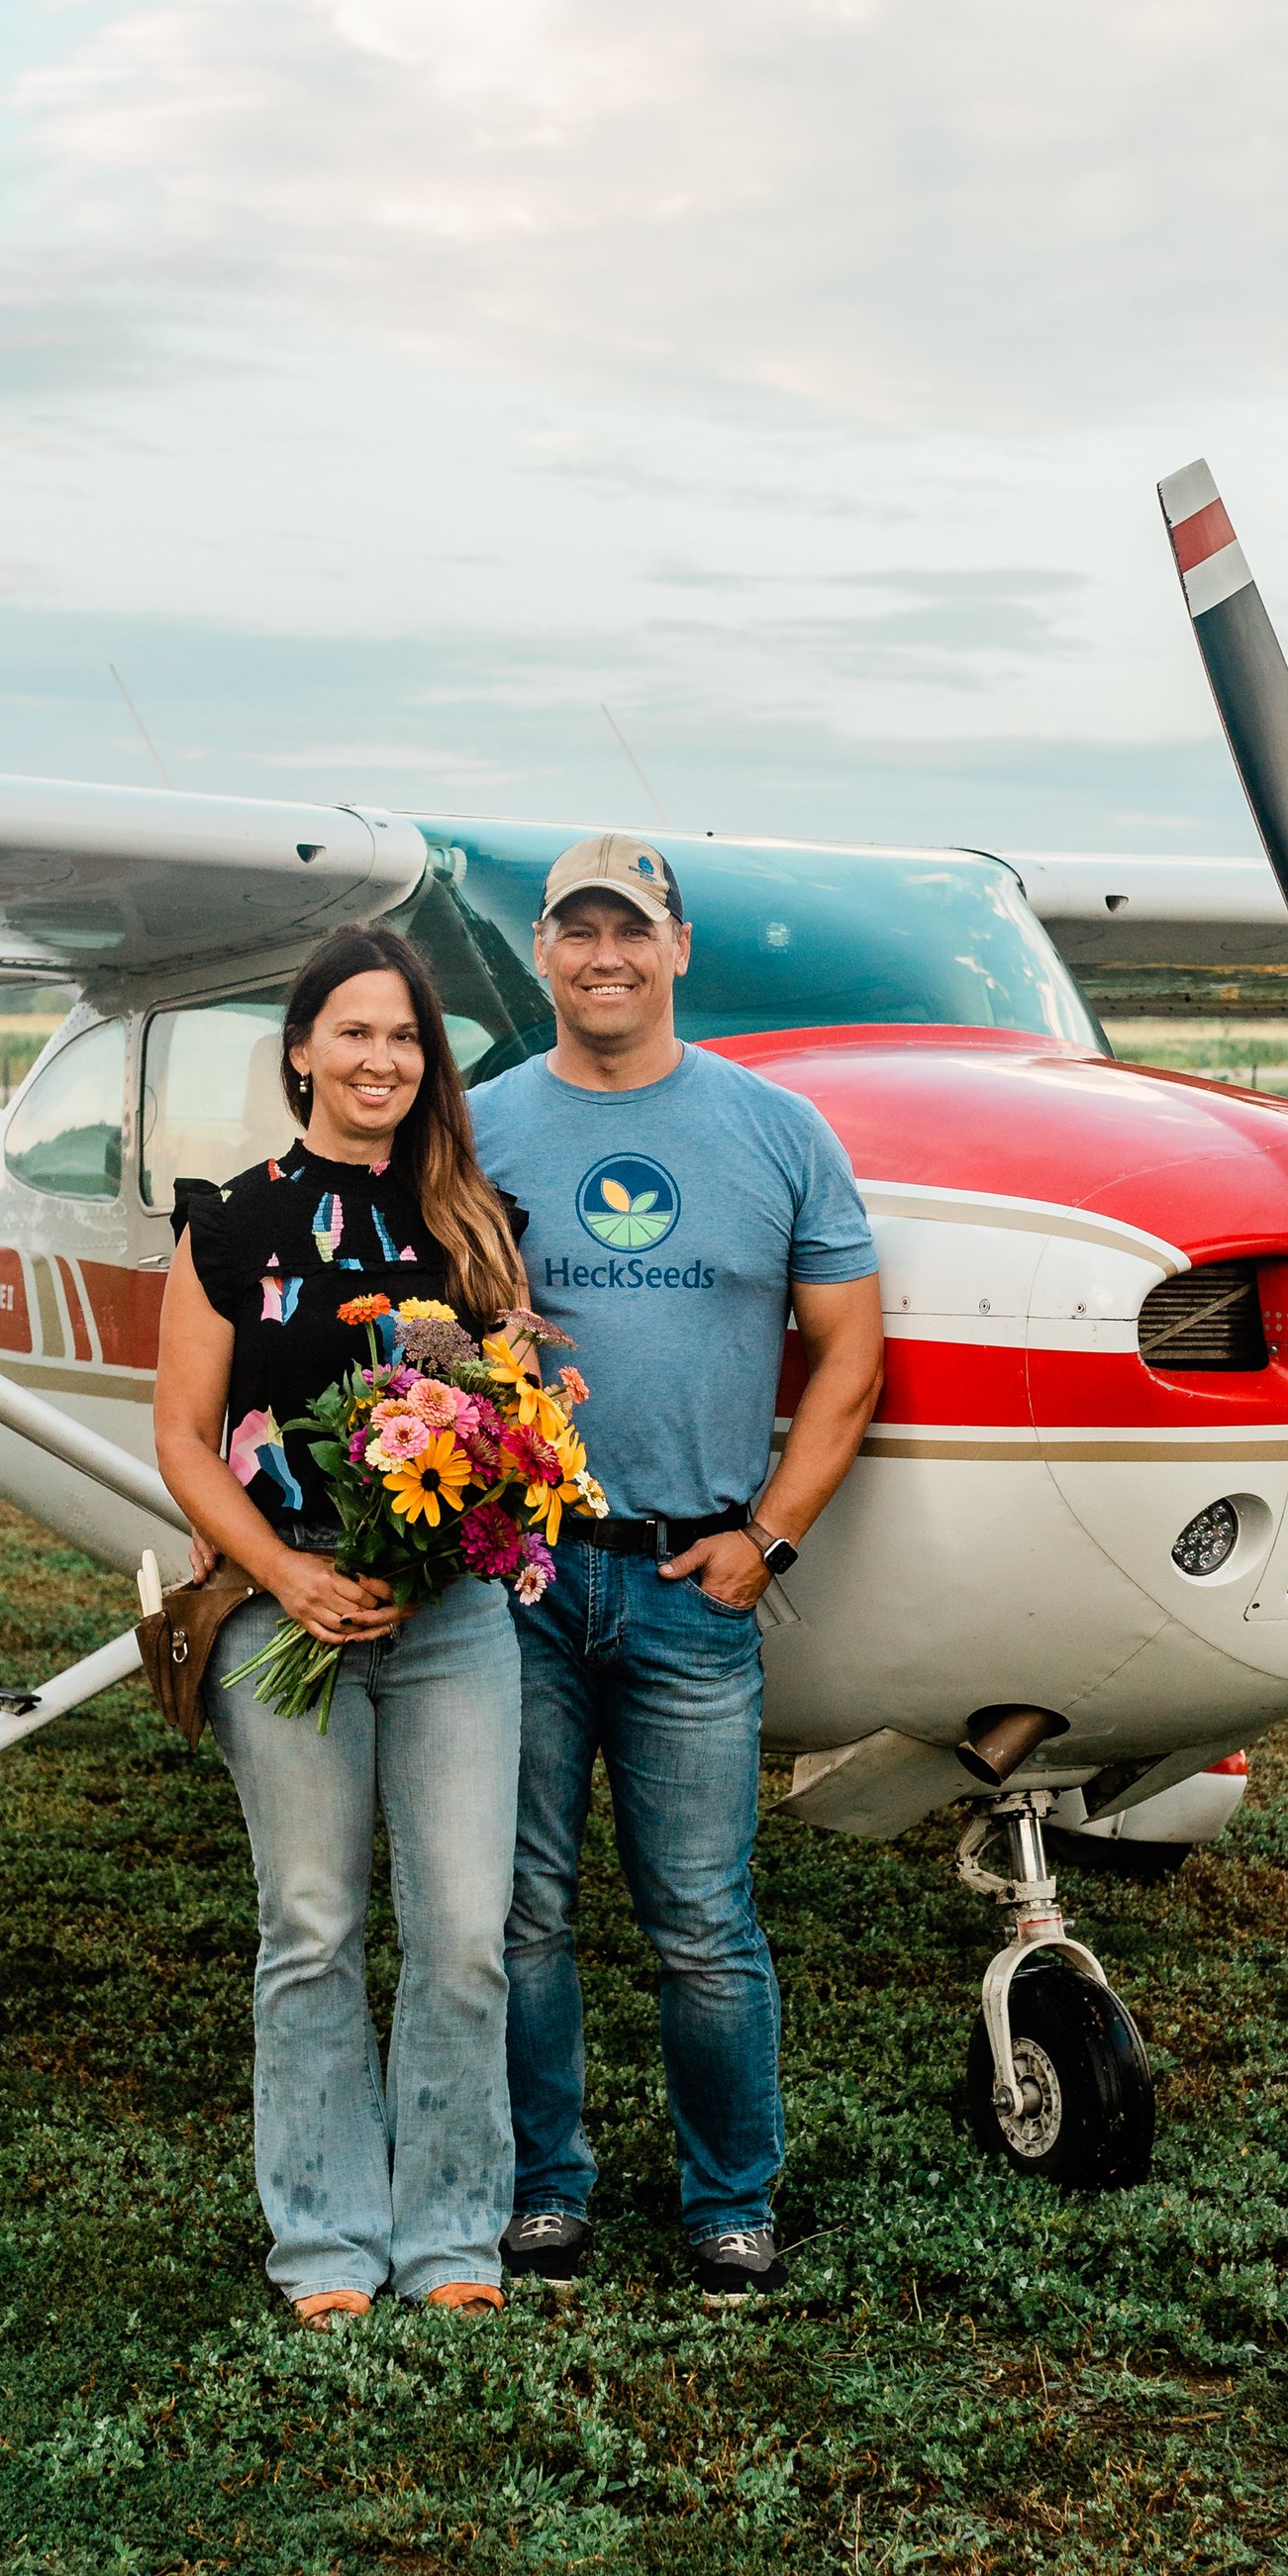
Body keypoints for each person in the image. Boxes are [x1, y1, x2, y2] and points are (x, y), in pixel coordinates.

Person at [471, 834, 884, 2305]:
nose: (605, 956)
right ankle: (542, 2191)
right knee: (519, 1912)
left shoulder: (777, 1132)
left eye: (631, 930)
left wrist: (766, 1538)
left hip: (689, 1585)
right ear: (541, 951)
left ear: (678, 948)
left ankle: (730, 2203)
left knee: (702, 1923)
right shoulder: (477, 1128)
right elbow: (418, 1336)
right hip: (514, 1589)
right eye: (578, 931)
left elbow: (851, 1354)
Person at [152, 925, 531, 2332]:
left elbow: (507, 1425)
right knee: (311, 1923)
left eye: (406, 1037)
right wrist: (284, 1574)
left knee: (465, 1934)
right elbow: (187, 1443)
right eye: (354, 1032)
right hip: (277, 1602)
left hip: (449, 1619)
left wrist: (480, 1488)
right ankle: (324, 2248)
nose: (381, 1059)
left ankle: (449, 2242)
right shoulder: (232, 1224)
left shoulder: (474, 1224)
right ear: (302, 1048)